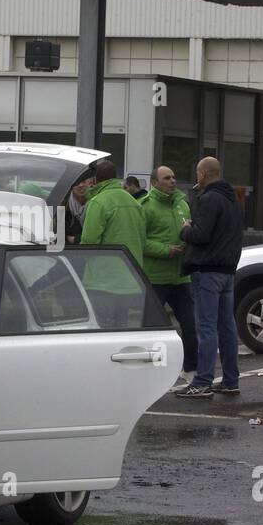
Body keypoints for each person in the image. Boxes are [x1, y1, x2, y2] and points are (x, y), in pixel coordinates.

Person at [176, 157, 244, 398]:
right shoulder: (232, 198)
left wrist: (184, 228)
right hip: (227, 271)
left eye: (198, 173)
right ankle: (230, 380)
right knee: (226, 327)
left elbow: (201, 234)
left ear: (203, 174)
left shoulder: (209, 198)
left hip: (207, 270)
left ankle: (202, 381)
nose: (197, 177)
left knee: (206, 327)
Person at [142, 165, 198, 386]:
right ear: (155, 183)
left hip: (181, 277)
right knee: (152, 328)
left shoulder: (182, 204)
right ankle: (150, 372)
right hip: (156, 278)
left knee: (191, 325)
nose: (172, 181)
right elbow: (141, 241)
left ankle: (191, 369)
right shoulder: (145, 207)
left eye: (174, 177)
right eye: (167, 178)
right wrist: (166, 250)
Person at [80, 160, 147, 327]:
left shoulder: (99, 202)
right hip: (130, 280)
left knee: (102, 330)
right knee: (121, 329)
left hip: (102, 281)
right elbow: (142, 240)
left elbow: (88, 242)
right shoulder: (135, 203)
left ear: (96, 180)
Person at [64, 175, 93, 244]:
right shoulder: (63, 202)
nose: (80, 185)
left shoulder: (97, 202)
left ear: (90, 183)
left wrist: (76, 239)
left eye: (83, 181)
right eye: (77, 182)